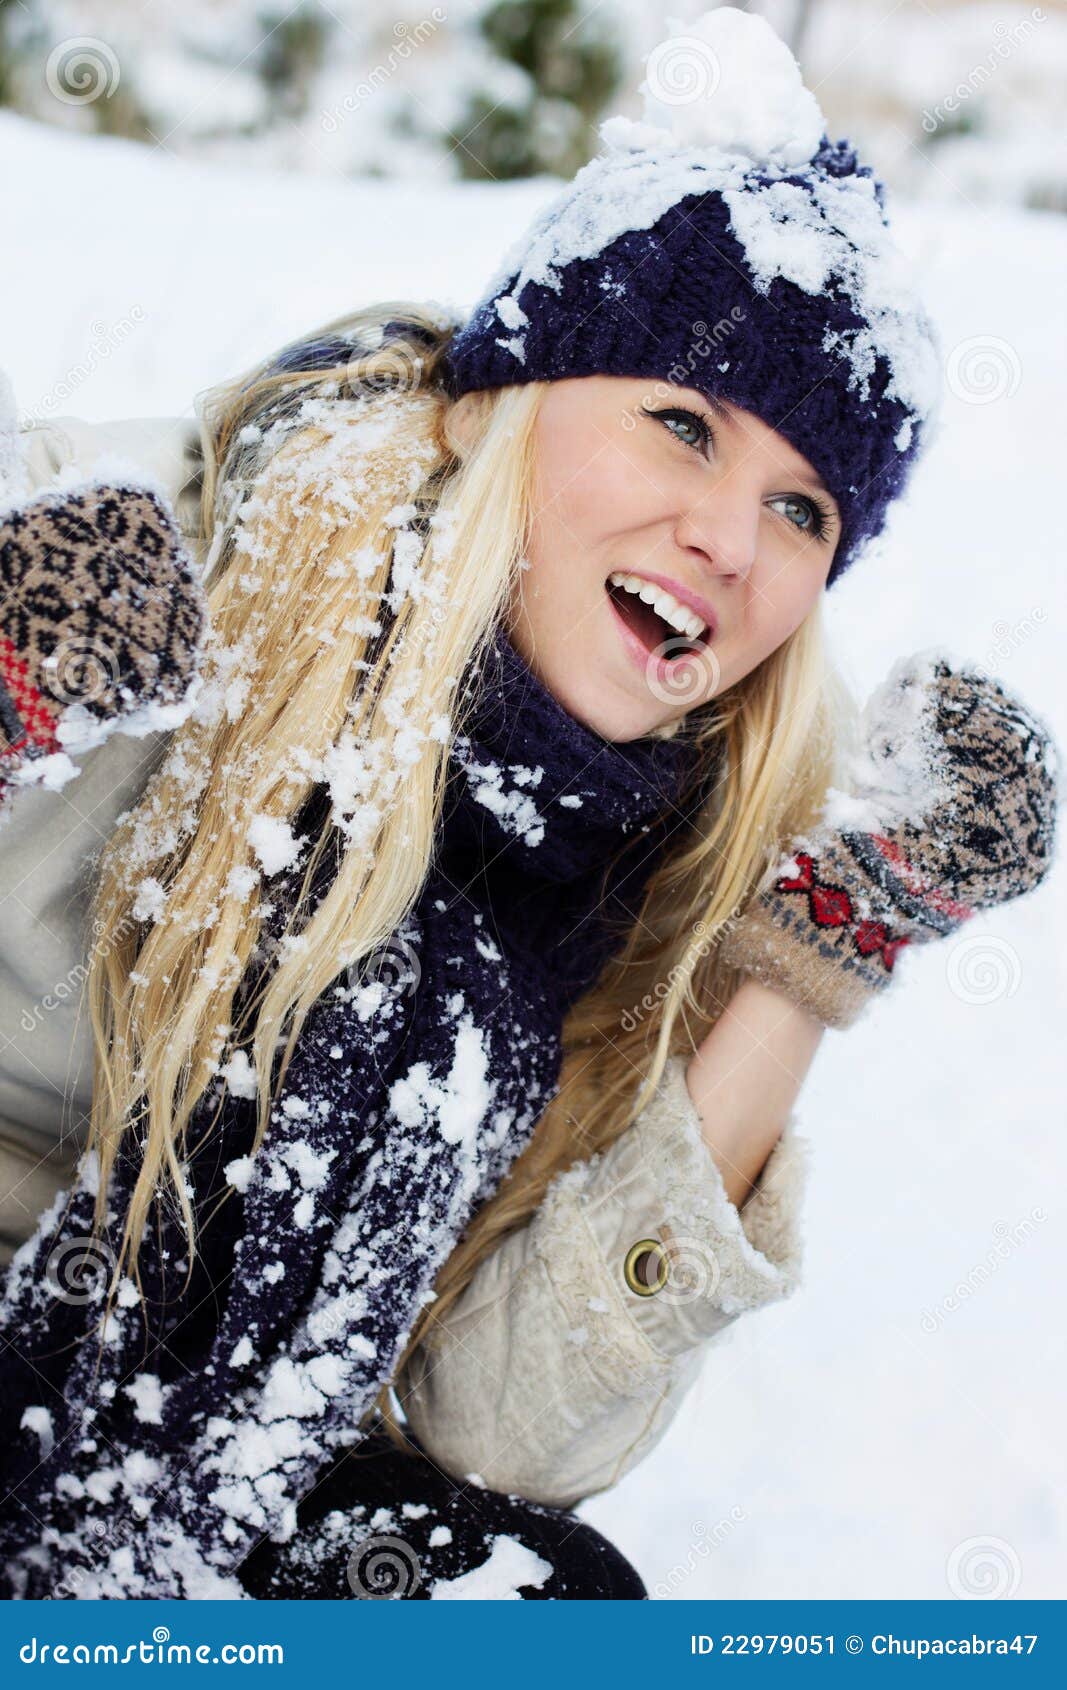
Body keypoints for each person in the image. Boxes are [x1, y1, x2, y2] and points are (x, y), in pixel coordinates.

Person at [0, 8, 1057, 1600]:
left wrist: (813, 954)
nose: (729, 540)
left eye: (801, 508)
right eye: (683, 425)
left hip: (212, 1475)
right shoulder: (182, 566)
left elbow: (492, 1429)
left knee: (534, 1606)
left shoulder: (671, 854)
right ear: (502, 400)